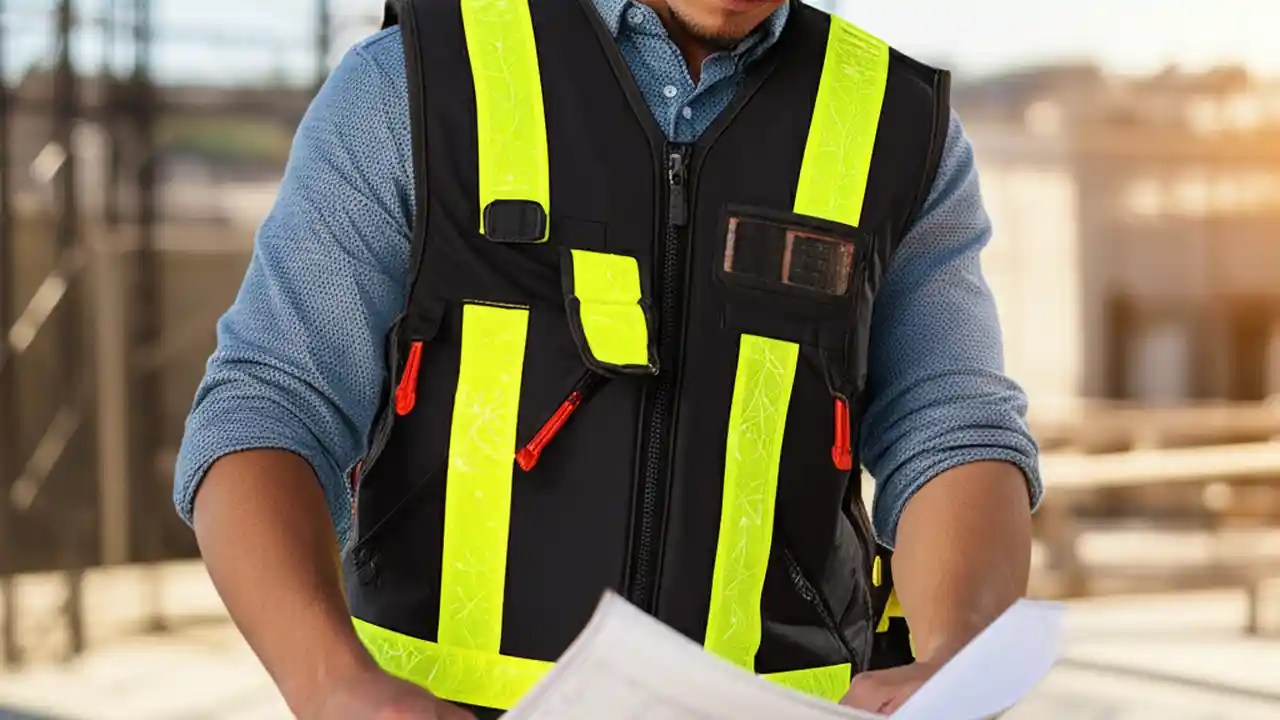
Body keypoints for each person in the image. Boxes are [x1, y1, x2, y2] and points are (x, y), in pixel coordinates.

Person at [175, 1, 1041, 718]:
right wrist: (330, 683)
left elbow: (952, 429)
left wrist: (959, 662)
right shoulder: (412, 89)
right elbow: (268, 410)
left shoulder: (897, 131)